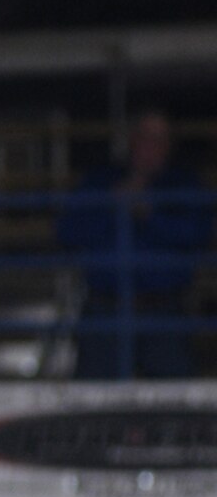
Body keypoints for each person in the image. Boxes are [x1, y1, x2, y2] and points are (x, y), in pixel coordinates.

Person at [56, 107, 213, 378]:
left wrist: (150, 214)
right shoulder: (99, 182)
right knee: (95, 400)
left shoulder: (184, 185)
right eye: (144, 137)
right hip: (106, 308)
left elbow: (198, 234)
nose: (150, 147)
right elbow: (67, 232)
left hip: (163, 310)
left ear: (169, 145)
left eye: (159, 139)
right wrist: (113, 205)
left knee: (175, 398)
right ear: (132, 141)